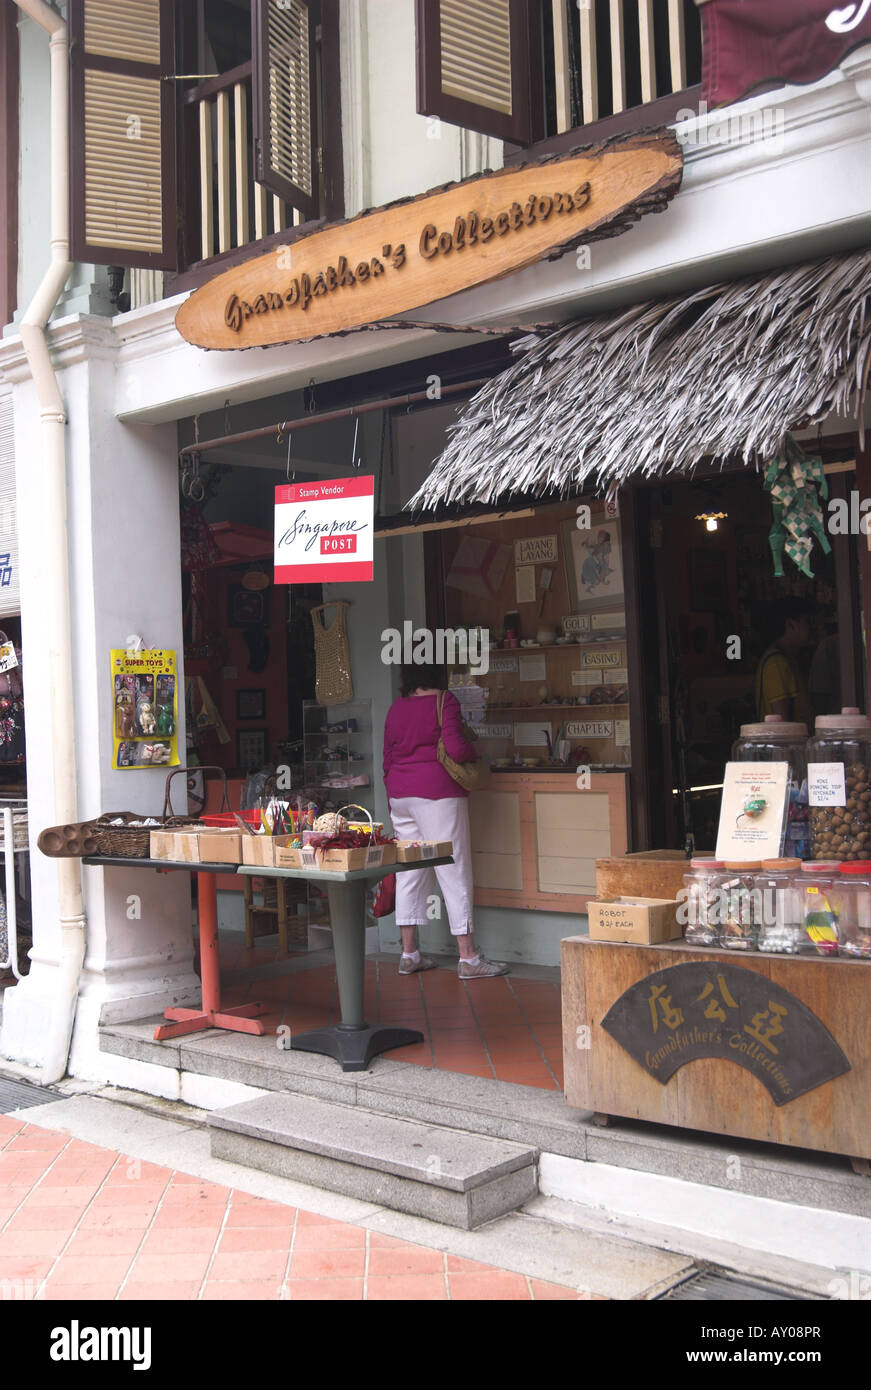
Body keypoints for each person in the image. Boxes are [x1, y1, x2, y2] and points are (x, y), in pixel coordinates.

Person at [383, 664, 509, 978]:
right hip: (437, 793)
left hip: (400, 795)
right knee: (453, 870)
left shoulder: (397, 707)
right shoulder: (445, 701)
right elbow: (455, 747)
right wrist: (474, 752)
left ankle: (409, 953)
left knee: (411, 872)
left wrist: (396, 788)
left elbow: (386, 757)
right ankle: (468, 958)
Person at [754, 597, 813, 726]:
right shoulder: (777, 664)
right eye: (806, 621)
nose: (810, 627)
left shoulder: (785, 659)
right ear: (790, 625)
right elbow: (783, 724)